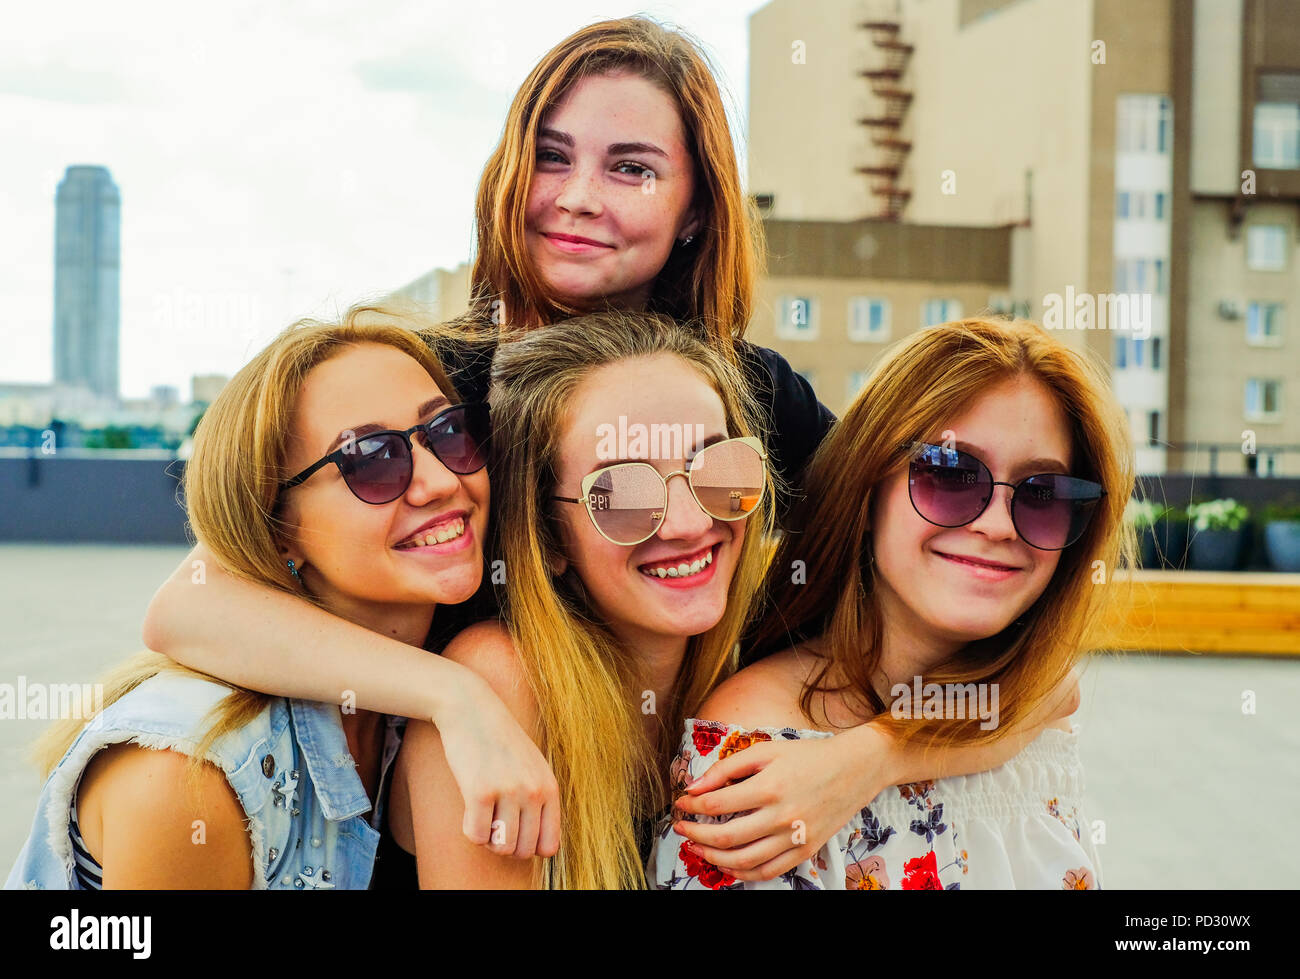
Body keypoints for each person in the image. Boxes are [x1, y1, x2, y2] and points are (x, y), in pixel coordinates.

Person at [138, 17, 1073, 880]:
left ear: (697, 207)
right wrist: (457, 701)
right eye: (551, 158)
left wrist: (865, 759)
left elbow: (1025, 653)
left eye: (631, 168)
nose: (578, 198)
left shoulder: (757, 399)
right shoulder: (444, 393)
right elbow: (192, 605)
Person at [5, 306, 494, 888]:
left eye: (448, 432)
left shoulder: (401, 716)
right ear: (278, 528)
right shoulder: (187, 778)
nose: (440, 480)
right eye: (371, 459)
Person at [652, 316, 1137, 889]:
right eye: (950, 474)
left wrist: (876, 756)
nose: (997, 525)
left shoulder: (1031, 712)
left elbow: (1053, 689)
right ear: (868, 484)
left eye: (1043, 494)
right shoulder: (752, 749)